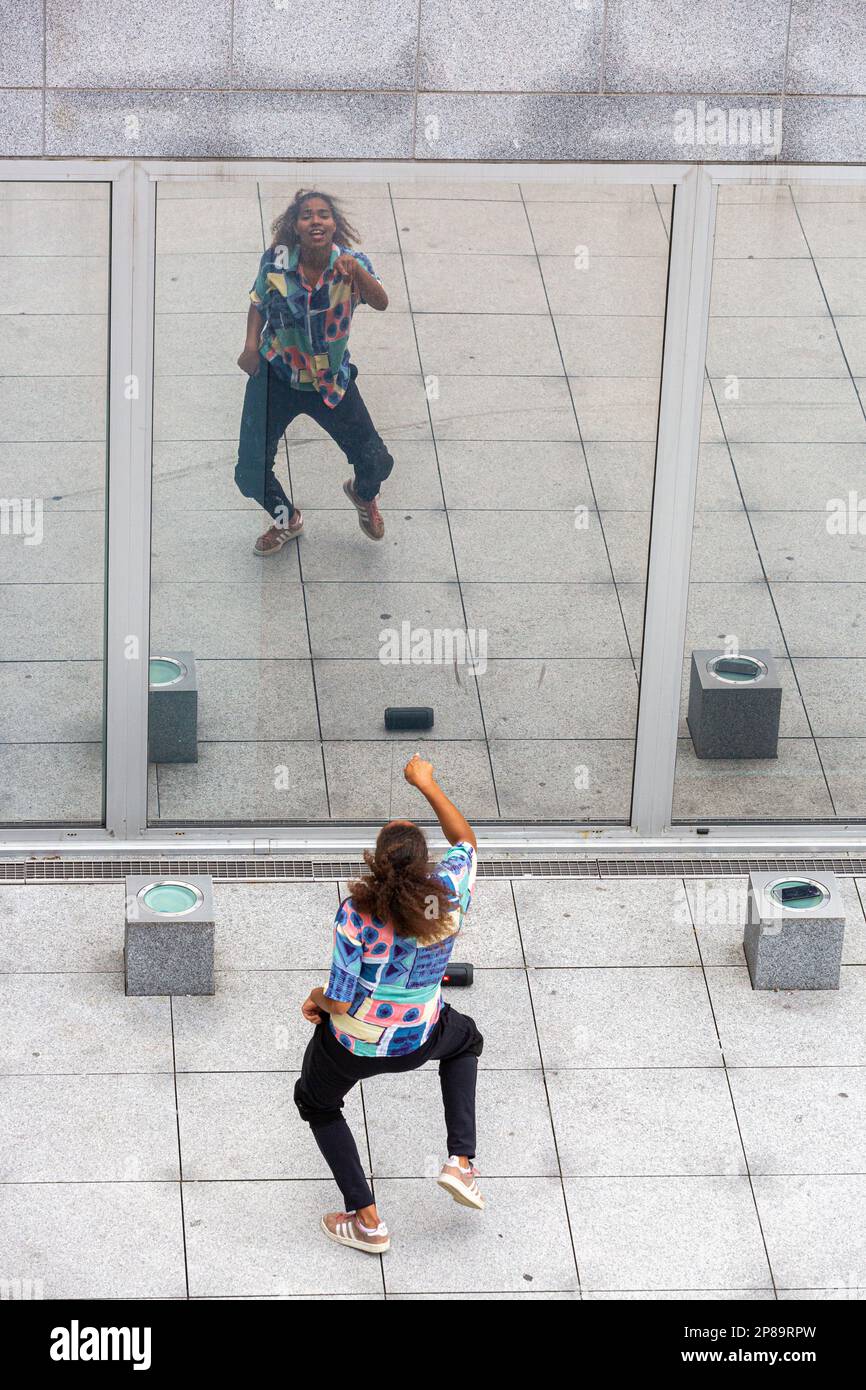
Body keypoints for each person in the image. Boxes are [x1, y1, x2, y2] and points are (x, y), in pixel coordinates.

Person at [294, 754, 483, 1255]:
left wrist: (315, 1001)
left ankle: (368, 1221)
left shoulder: (358, 913)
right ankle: (461, 1161)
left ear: (375, 863)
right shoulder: (447, 892)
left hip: (353, 1044)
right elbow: (466, 840)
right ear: (425, 865)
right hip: (422, 1037)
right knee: (466, 1041)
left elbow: (341, 995)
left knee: (316, 1103)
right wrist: (427, 782)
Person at [235, 188, 394, 552]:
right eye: (307, 215)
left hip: (330, 381)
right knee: (249, 473)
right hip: (277, 376)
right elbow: (258, 300)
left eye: (323, 214)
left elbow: (381, 301)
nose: (315, 220)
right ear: (295, 225)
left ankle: (363, 494)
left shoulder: (351, 263)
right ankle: (286, 519)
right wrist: (249, 346)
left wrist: (357, 274)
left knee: (377, 462)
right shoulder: (276, 260)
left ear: (334, 224)